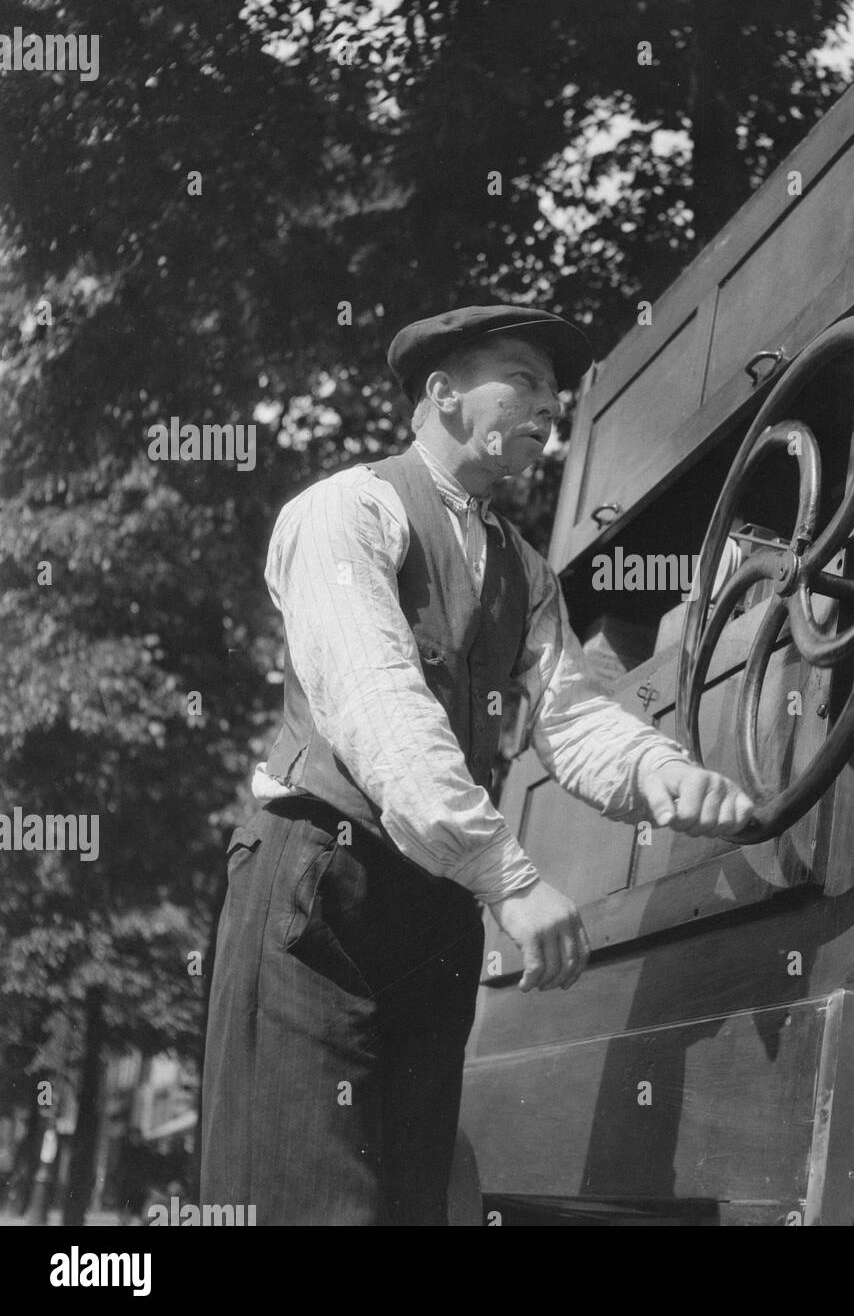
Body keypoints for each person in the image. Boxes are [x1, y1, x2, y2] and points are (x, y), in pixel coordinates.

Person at [200, 305, 754, 1225]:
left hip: (436, 910)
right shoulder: (346, 511)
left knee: (411, 1203)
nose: (549, 413)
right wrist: (510, 875)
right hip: (318, 886)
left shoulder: (525, 572)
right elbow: (381, 710)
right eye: (525, 383)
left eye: (556, 395)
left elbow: (570, 719)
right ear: (443, 396)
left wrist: (662, 774)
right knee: (300, 1201)